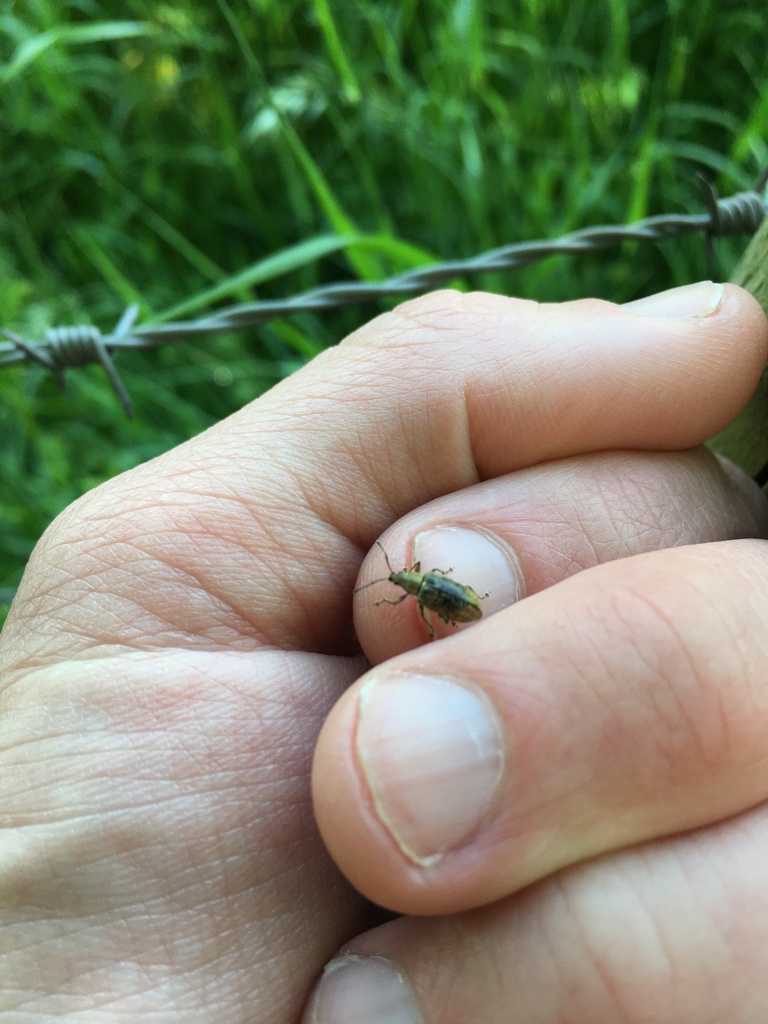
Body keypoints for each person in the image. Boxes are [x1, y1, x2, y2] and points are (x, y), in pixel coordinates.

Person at [2, 281, 768, 1023]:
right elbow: (440, 603)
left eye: (403, 577)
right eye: (403, 581)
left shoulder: (425, 587)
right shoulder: (417, 593)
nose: (402, 582)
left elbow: (446, 600)